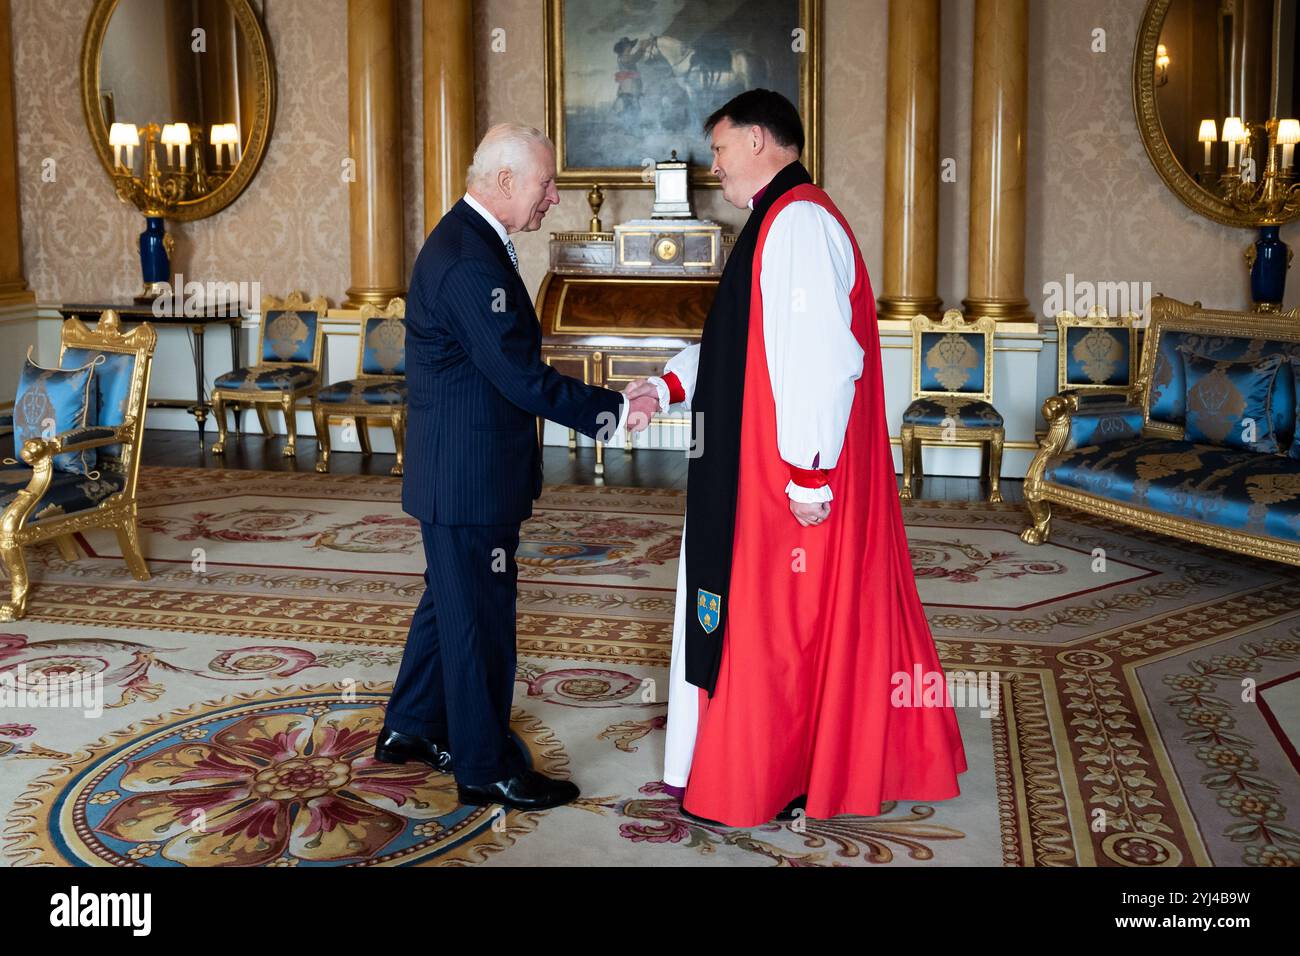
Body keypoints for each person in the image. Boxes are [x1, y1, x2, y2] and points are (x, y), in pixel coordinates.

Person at [626, 89, 968, 827]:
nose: (712, 167)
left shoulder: (800, 222)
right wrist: (664, 384)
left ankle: (769, 777)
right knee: (772, 625)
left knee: (783, 630)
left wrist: (809, 474)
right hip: (763, 468)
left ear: (756, 141)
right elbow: (741, 345)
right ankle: (759, 767)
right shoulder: (775, 220)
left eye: (718, 150)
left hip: (785, 480)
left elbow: (818, 358)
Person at [376, 123, 659, 812]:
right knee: (480, 621)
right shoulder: (469, 258)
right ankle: (483, 767)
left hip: (459, 471)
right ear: (504, 181)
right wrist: (614, 410)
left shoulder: (468, 241)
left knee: (450, 604)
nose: (553, 197)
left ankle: (410, 729)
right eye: (545, 183)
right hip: (468, 480)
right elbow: (521, 377)